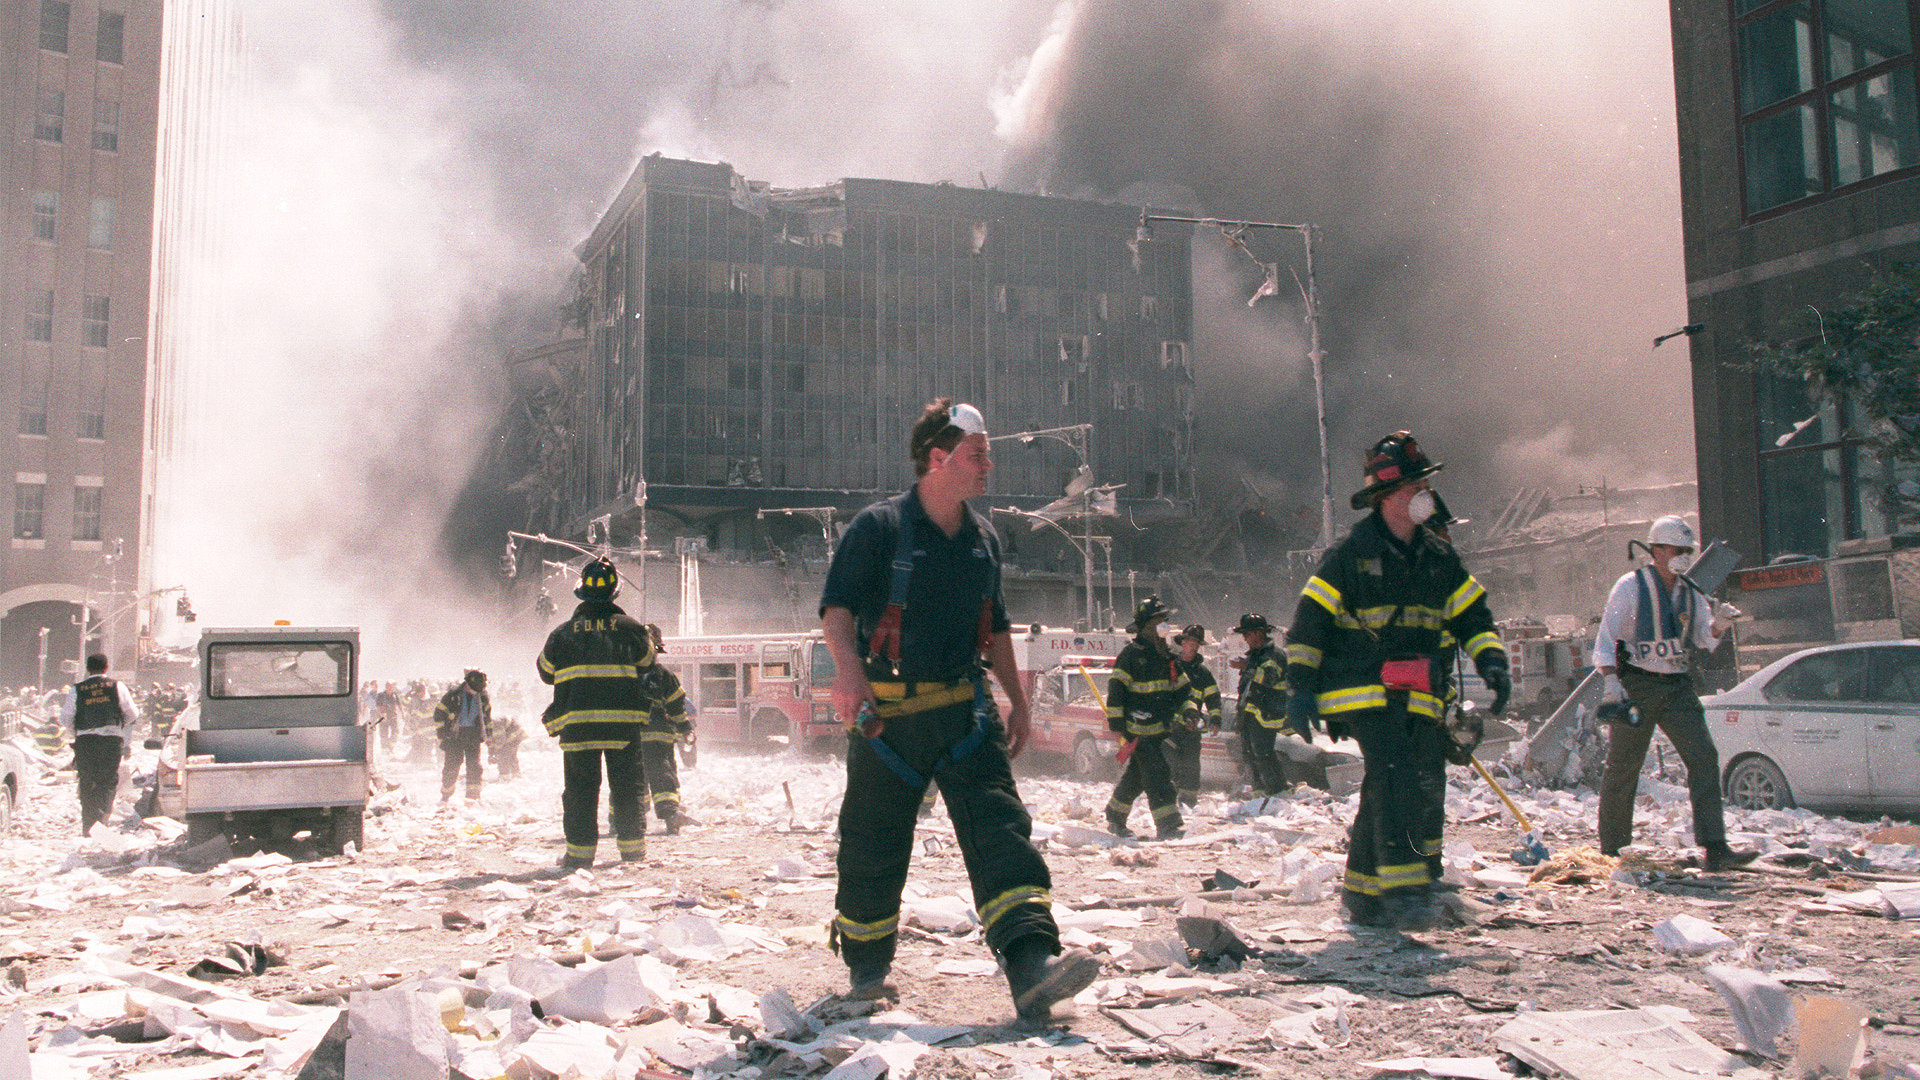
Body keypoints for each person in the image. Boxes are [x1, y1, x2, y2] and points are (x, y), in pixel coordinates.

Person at [820, 398, 1098, 1024]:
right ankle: (866, 968)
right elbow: (837, 612)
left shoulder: (984, 542)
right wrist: (848, 673)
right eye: (979, 454)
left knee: (1001, 830)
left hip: (963, 716)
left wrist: (1019, 701)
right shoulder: (878, 528)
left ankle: (1032, 966)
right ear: (938, 459)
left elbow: (995, 629)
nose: (989, 465)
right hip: (887, 721)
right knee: (872, 840)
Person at [1284, 431, 1511, 932]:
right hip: (1361, 689)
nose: (1426, 495)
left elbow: (1473, 616)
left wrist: (1491, 659)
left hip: (1416, 694)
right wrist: (1300, 688)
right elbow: (1308, 626)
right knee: (1397, 772)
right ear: (1388, 497)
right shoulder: (1350, 555)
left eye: (1425, 485)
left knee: (1390, 780)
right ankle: (1406, 891)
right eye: (1416, 487)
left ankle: (1363, 894)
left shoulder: (1437, 556)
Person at [1591, 515, 1757, 871]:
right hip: (1637, 682)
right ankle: (1613, 849)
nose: (1683, 556)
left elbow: (1701, 636)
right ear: (1657, 551)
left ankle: (1715, 846)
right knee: (1624, 766)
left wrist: (1719, 624)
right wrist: (1611, 682)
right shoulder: (1631, 586)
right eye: (1677, 550)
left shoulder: (1690, 591)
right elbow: (1607, 640)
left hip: (1676, 684)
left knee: (1703, 757)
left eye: (1687, 551)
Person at [539, 558, 687, 868]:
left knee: (580, 790)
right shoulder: (631, 629)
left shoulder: (561, 634)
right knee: (627, 786)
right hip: (623, 725)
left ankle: (579, 857)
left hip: (577, 727)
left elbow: (546, 671)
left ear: (582, 593)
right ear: (615, 593)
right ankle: (632, 851)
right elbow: (648, 663)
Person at [1103, 597, 1190, 839]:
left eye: (1164, 621)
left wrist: (1190, 710)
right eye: (1157, 622)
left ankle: (1114, 815)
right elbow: (1116, 691)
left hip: (1159, 728)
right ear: (1144, 627)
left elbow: (1183, 691)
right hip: (1137, 730)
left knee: (1137, 777)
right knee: (1158, 774)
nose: (1163, 626)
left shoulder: (1168, 657)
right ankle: (1169, 825)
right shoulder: (1130, 656)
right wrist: (1118, 727)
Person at [60, 653, 141, 835]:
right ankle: (101, 823)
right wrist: (118, 725)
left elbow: (65, 718)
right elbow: (132, 714)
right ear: (106, 668)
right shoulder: (117, 686)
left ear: (88, 669)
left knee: (87, 781)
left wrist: (78, 732)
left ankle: (87, 825)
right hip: (110, 742)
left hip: (85, 743)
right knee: (107, 781)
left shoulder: (77, 689)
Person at [636, 625, 693, 834]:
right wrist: (685, 728)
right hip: (658, 737)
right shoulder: (663, 675)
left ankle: (623, 819)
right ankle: (670, 815)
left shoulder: (623, 674)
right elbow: (677, 705)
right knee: (662, 774)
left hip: (629, 737)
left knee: (629, 777)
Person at [1230, 613, 1291, 796]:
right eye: (1249, 634)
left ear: (1265, 633)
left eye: (1257, 633)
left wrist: (1247, 667)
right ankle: (1260, 795)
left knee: (1263, 754)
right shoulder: (1256, 656)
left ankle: (1277, 792)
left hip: (1267, 714)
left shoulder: (1274, 654)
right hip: (1251, 716)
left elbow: (1268, 678)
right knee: (1250, 755)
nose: (1253, 638)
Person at [1166, 625, 1220, 808]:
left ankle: (1189, 803)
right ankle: (1168, 803)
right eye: (1190, 642)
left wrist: (1216, 719)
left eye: (1197, 643)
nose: (1194, 646)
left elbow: (1213, 697)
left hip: (1191, 728)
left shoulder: (1203, 673)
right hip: (1170, 727)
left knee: (1191, 767)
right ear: (1182, 643)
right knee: (1170, 765)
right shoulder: (1172, 666)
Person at [433, 670, 492, 803]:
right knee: (452, 766)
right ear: (467, 684)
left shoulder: (482, 696)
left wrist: (488, 734)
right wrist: (443, 736)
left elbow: (487, 715)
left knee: (475, 766)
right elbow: (438, 714)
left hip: (473, 734)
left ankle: (472, 797)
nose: (476, 692)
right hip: (454, 736)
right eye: (474, 689)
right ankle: (446, 796)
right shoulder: (453, 695)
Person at [488, 714, 526, 780]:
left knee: (503, 756)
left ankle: (504, 777)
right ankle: (516, 774)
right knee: (511, 756)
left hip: (512, 736)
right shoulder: (489, 725)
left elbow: (500, 739)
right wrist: (491, 753)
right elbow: (491, 741)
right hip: (515, 736)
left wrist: (496, 752)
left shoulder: (495, 724)